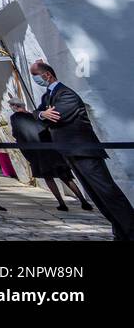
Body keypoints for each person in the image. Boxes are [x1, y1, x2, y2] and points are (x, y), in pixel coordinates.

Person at [31, 60, 134, 241]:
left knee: (108, 193)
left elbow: (55, 118)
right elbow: (36, 114)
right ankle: (120, 231)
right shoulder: (48, 97)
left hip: (85, 152)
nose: (35, 79)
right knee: (97, 196)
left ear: (47, 75)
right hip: (70, 153)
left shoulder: (66, 94)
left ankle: (131, 230)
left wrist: (44, 116)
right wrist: (41, 114)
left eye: (35, 75)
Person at [8, 100, 93, 211]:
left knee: (49, 178)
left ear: (14, 106)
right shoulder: (36, 115)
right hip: (51, 150)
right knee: (66, 177)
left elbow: (17, 133)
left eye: (11, 105)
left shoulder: (15, 118)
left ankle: (61, 203)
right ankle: (83, 201)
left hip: (38, 152)